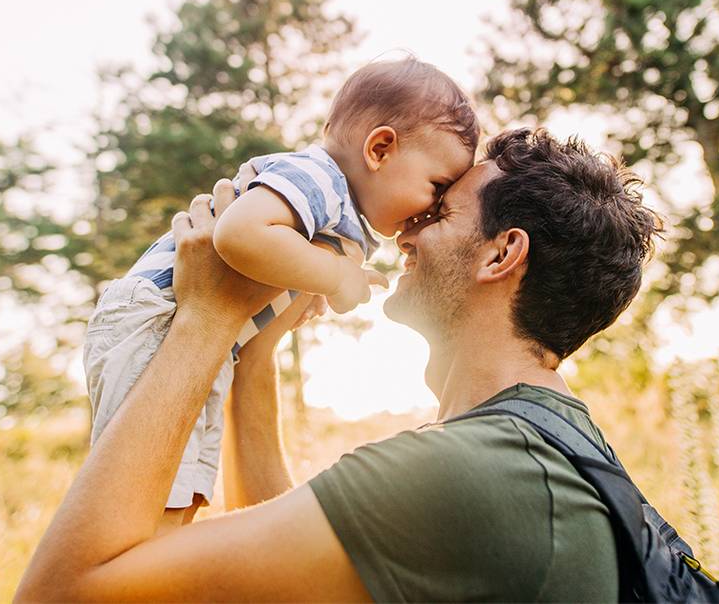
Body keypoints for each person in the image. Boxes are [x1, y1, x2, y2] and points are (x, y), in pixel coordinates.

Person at [17, 128, 663, 601]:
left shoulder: (472, 474)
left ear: (500, 255)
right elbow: (293, 567)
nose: (402, 231)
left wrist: (205, 320)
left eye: (437, 210)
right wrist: (253, 351)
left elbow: (61, 594)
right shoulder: (541, 451)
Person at [83, 55, 478, 531]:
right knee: (146, 497)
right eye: (436, 187)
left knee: (180, 492)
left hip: (198, 339)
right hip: (156, 317)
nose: (430, 211)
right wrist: (333, 276)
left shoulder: (340, 207)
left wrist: (306, 280)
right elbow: (238, 234)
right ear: (380, 149)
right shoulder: (318, 179)